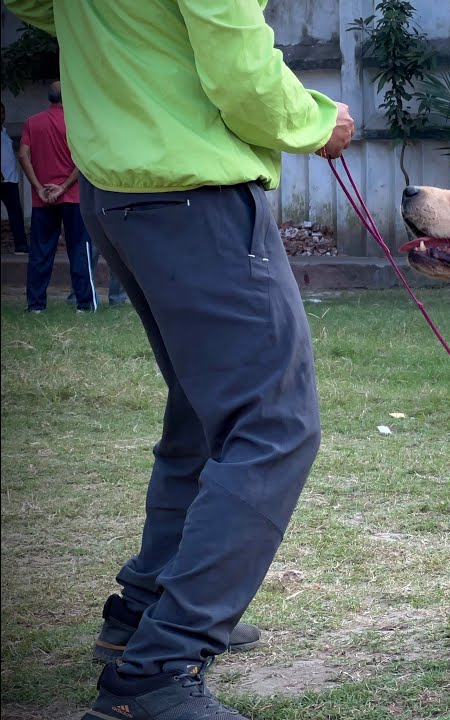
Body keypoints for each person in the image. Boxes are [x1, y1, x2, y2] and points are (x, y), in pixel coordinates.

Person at [6, 2, 353, 719]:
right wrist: (320, 121)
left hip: (119, 194)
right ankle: (157, 670)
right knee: (274, 426)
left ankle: (142, 613)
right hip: (193, 192)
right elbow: (244, 78)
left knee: (202, 415)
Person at [18, 81, 96, 312]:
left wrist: (39, 187)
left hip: (43, 197)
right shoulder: (76, 122)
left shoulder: (33, 122)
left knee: (40, 251)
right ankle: (84, 304)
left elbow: (23, 154)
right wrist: (63, 187)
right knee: (79, 249)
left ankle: (36, 305)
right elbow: (83, 159)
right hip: (72, 196)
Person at [1, 103, 29, 255]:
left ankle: (21, 246)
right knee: (15, 214)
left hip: (10, 181)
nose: (2, 116)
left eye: (3, 112)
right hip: (2, 181)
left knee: (16, 215)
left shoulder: (4, 133)